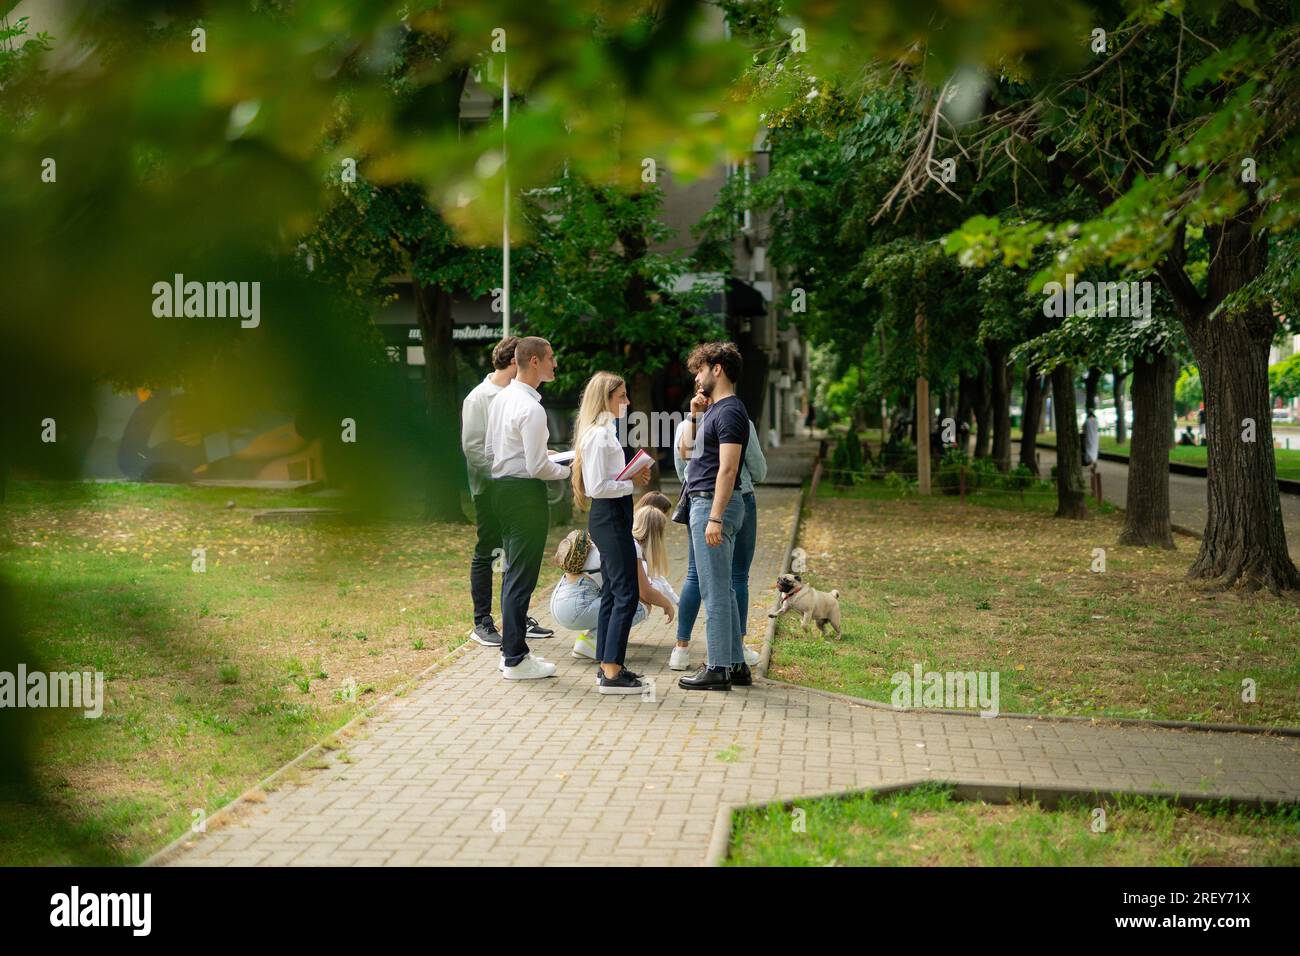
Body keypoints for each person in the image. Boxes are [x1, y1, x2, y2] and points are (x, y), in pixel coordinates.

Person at [485, 336, 571, 681]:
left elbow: (497, 449)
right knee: (521, 578)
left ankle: (511, 652)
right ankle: (516, 657)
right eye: (551, 358)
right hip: (524, 495)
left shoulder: (502, 398)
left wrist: (543, 456)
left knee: (512, 575)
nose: (554, 364)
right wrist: (568, 469)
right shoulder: (532, 408)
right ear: (533, 361)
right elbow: (537, 468)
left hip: (501, 490)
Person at [571, 371, 661, 695]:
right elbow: (597, 486)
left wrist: (632, 474)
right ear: (605, 399)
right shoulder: (598, 435)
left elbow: (611, 476)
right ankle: (612, 671)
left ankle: (608, 664)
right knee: (626, 593)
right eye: (621, 396)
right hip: (608, 516)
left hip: (616, 514)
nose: (627, 401)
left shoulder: (607, 432)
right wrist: (631, 482)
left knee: (613, 590)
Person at [671, 390, 766, 673]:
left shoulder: (683, 426)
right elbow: (758, 471)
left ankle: (681, 647)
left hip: (698, 501)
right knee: (735, 577)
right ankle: (734, 652)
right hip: (739, 499)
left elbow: (682, 469)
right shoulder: (741, 421)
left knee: (694, 574)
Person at [676, 341, 751, 692]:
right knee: (723, 588)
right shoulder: (715, 410)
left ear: (716, 369)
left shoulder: (732, 411)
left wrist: (716, 517)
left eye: (700, 370)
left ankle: (717, 667)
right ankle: (735, 664)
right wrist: (694, 415)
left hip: (713, 504)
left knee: (715, 591)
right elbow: (687, 452)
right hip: (707, 503)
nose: (697, 377)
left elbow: (729, 469)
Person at [460, 336, 516, 649]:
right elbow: (472, 448)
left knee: (513, 551)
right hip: (490, 489)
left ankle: (514, 614)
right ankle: (482, 620)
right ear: (513, 363)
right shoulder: (478, 398)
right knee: (489, 551)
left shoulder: (518, 395)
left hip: (514, 488)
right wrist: (501, 477)